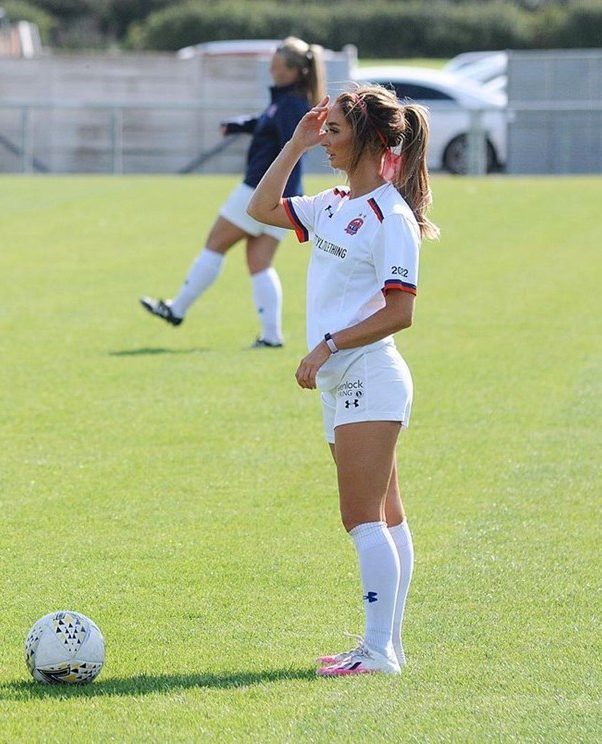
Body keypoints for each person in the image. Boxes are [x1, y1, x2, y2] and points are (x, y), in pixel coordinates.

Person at [247, 84, 440, 675]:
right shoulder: (332, 203)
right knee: (386, 515)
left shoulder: (391, 216)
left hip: (369, 375)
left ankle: (378, 649)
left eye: (332, 131)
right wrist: (295, 142)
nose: (325, 139)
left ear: (366, 139)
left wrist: (326, 346)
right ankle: (388, 645)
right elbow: (260, 210)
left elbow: (400, 311)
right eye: (323, 129)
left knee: (361, 517)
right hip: (343, 381)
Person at [140, 37, 325, 348]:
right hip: (283, 197)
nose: (271, 67)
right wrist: (241, 125)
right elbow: (268, 125)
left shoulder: (290, 103)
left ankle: (177, 309)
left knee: (215, 245)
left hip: (259, 191)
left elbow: (291, 146)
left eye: (276, 63)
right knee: (259, 263)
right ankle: (271, 336)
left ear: (292, 70)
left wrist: (271, 193)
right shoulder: (288, 100)